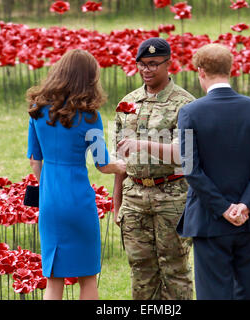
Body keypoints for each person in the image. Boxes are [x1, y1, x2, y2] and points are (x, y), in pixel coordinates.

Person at [177, 43, 250, 300]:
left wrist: (222, 208)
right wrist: (245, 204)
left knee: (213, 293)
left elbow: (191, 168)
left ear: (200, 72)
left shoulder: (190, 112)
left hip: (208, 220)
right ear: (230, 70)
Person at [26, 49, 126, 300]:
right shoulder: (90, 116)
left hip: (50, 202)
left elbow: (34, 160)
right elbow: (102, 164)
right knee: (88, 278)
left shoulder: (37, 110)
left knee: (54, 279)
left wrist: (48, 185)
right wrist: (123, 166)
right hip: (79, 201)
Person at [113, 38, 194, 300]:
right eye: (141, 65)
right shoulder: (128, 103)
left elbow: (185, 155)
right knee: (141, 271)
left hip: (172, 196)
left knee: (175, 271)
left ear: (169, 64)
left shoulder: (186, 104)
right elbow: (120, 161)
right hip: (134, 196)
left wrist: (142, 143)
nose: (146, 70)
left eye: (153, 64)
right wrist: (117, 204)